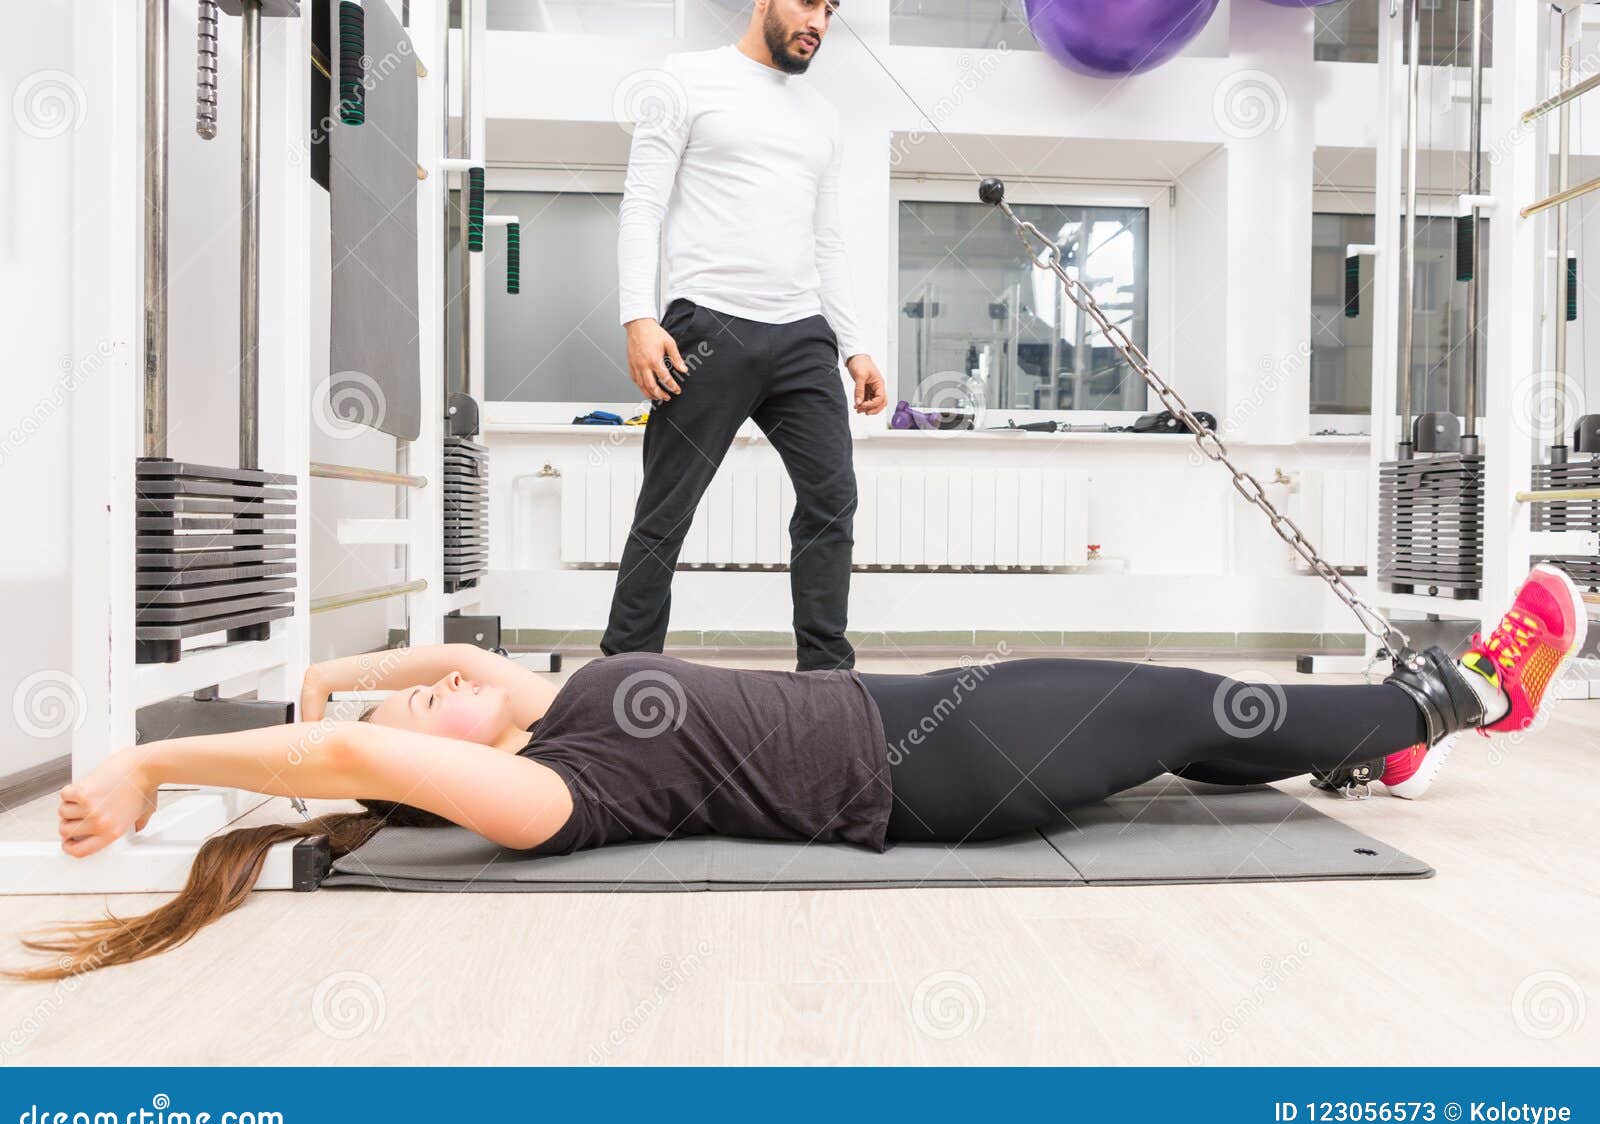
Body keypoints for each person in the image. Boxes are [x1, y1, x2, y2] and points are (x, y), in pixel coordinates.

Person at [8, 564, 1587, 981]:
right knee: (1176, 706)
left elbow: (391, 695)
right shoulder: (560, 794)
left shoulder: (541, 706)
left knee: (1165, 726)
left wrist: (328, 675)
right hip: (934, 776)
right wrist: (156, 763)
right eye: (428, 713)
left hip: (927, 707)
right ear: (440, 776)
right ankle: (1456, 696)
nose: (434, 686)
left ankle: (1371, 752)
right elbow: (362, 751)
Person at [609, 0, 887, 672]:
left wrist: (854, 345)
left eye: (830, 10)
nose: (819, 22)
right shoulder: (684, 79)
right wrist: (638, 316)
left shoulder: (821, 116)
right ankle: (623, 672)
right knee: (666, 509)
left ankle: (826, 675)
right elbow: (643, 203)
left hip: (803, 336)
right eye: (808, 2)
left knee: (832, 498)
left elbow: (826, 239)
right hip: (708, 325)